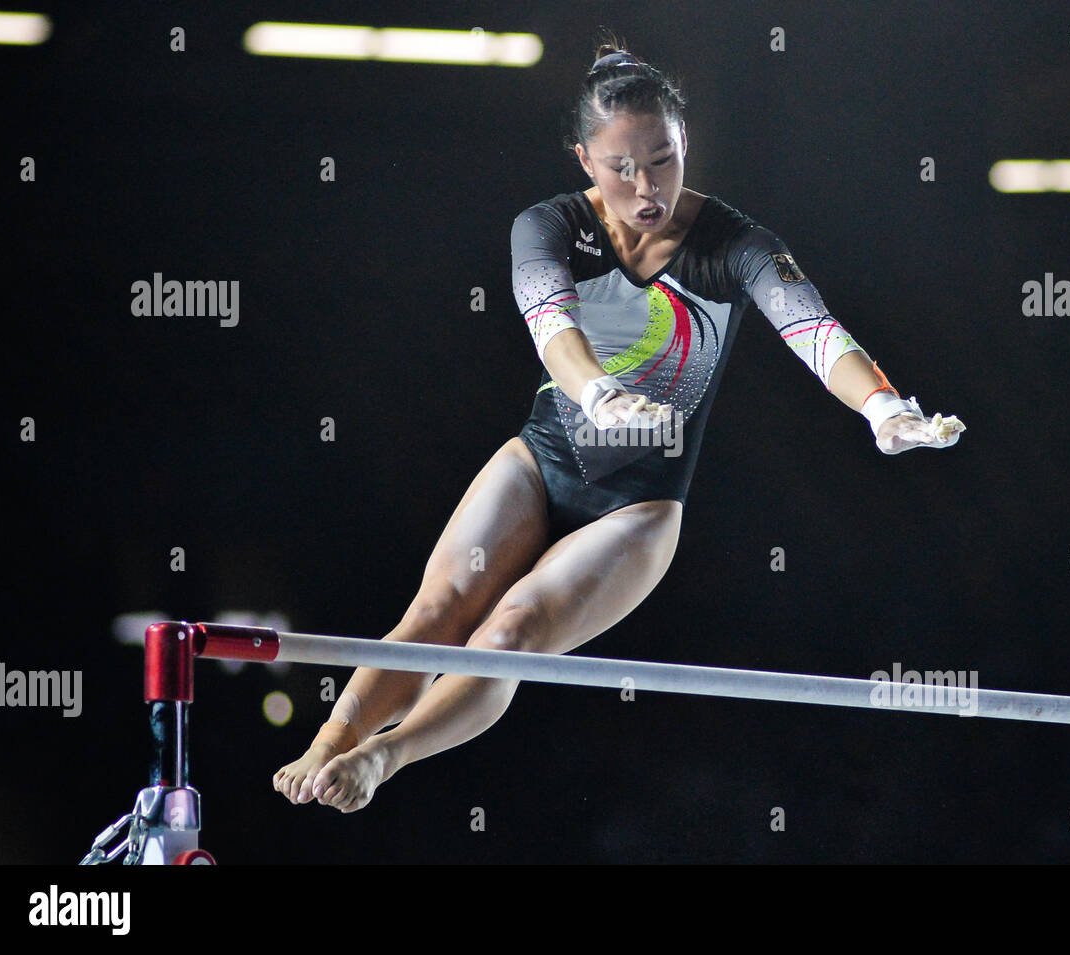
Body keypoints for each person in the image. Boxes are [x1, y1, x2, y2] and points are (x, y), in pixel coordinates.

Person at [273, 35, 963, 813]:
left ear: (685, 143)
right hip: (539, 463)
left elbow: (815, 330)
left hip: (637, 509)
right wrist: (598, 392)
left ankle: (381, 758)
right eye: (621, 166)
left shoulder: (736, 244)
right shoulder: (547, 226)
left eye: (662, 159)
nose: (646, 187)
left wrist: (880, 406)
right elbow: (550, 323)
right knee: (437, 613)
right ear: (583, 160)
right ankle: (329, 740)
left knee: (510, 635)